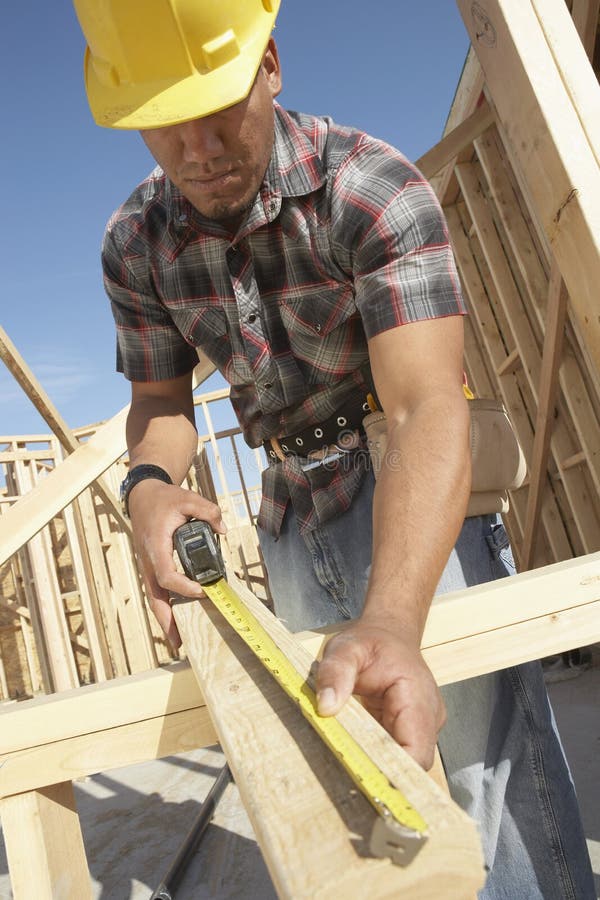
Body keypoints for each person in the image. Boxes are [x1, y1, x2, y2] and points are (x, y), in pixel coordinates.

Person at [73, 2, 595, 897]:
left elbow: (428, 403)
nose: (197, 148)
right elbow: (160, 400)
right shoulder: (135, 245)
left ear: (269, 66)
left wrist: (395, 621)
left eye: (216, 109)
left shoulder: (371, 185)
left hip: (411, 488)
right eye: (165, 123)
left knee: (487, 782)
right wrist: (151, 484)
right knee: (347, 785)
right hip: (286, 512)